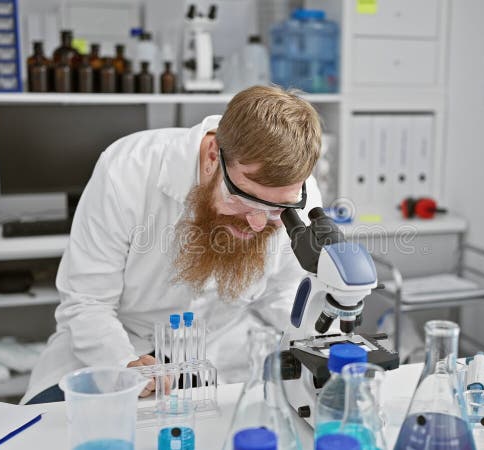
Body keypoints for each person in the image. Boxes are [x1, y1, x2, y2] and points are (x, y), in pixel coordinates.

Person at [21, 86, 323, 404]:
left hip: (220, 356)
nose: (259, 223)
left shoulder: (298, 194)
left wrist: (319, 343)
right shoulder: (127, 169)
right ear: (212, 158)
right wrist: (122, 366)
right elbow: (87, 301)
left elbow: (284, 299)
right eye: (246, 200)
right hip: (117, 344)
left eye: (278, 211)